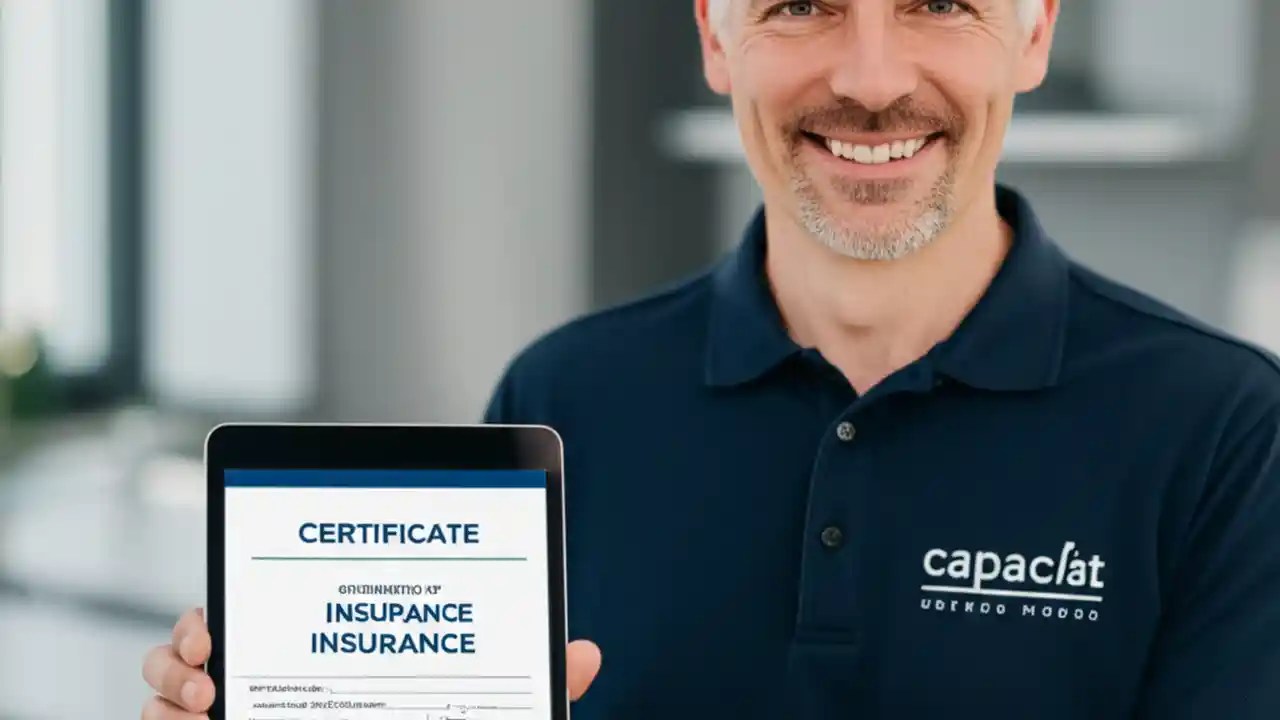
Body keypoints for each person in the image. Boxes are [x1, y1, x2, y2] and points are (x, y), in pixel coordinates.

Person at [142, 0, 1280, 717]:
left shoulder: (1225, 433)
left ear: (1034, 29)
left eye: (936, 3)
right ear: (712, 36)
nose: (872, 77)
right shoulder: (562, 398)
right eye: (801, 6)